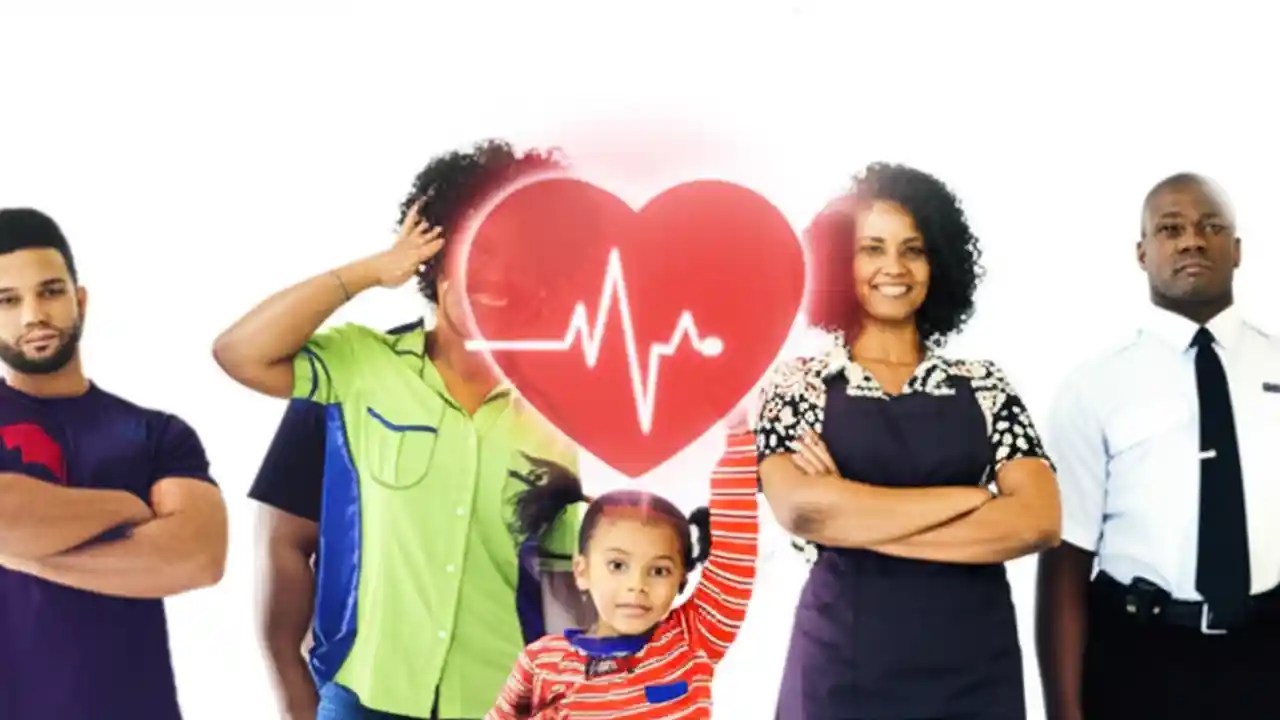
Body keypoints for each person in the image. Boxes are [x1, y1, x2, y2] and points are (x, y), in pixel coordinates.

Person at [213, 140, 589, 720]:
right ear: (433, 258)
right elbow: (239, 354)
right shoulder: (361, 369)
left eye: (521, 257)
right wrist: (369, 271)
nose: (494, 275)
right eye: (475, 249)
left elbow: (564, 585)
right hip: (366, 698)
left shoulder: (556, 416)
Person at [756, 163, 1061, 719]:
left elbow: (1038, 520)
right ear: (839, 263)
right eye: (871, 249)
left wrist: (851, 515)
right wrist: (970, 499)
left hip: (973, 670)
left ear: (937, 262)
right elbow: (802, 509)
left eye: (913, 250)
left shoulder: (985, 384)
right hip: (840, 670)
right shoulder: (800, 383)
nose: (893, 267)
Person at [1035, 173, 1280, 720]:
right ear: (1142, 252)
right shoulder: (1094, 386)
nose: (1192, 240)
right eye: (1170, 229)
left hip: (1267, 652)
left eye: (1211, 226)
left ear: (1237, 250)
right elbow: (1066, 562)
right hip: (1140, 658)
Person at [0, 208, 228, 719]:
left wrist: (28, 556)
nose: (33, 315)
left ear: (79, 300)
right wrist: (125, 506)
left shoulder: (156, 433)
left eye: (50, 291)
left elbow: (198, 558)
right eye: (7, 300)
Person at [486, 418, 758, 719]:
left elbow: (735, 554)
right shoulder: (541, 662)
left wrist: (739, 430)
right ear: (582, 571)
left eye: (659, 571)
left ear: (681, 579)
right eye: (617, 565)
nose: (636, 585)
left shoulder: (690, 641)